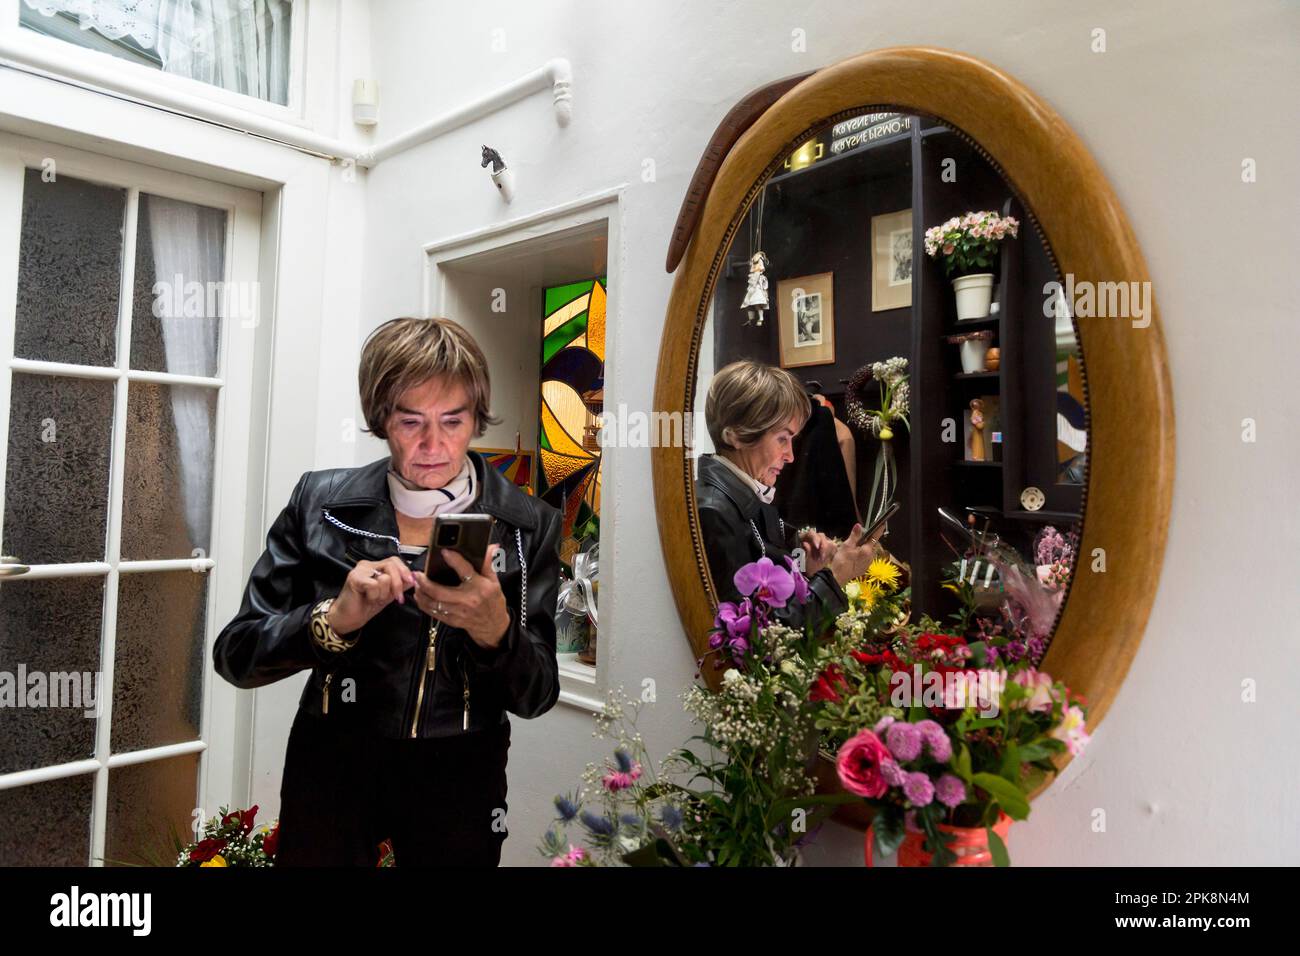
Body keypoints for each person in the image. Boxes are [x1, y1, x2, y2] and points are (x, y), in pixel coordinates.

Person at [213, 317, 562, 866]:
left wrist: (495, 630)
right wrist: (333, 619)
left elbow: (537, 696)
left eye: (453, 421)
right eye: (410, 422)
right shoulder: (320, 503)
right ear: (381, 420)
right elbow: (236, 656)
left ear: (476, 419)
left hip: (462, 776)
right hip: (332, 762)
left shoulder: (528, 524)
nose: (433, 445)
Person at [695, 360, 880, 630]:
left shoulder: (748, 495)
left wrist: (806, 560)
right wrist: (835, 577)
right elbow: (756, 639)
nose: (791, 456)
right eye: (782, 439)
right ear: (736, 436)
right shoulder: (715, 513)